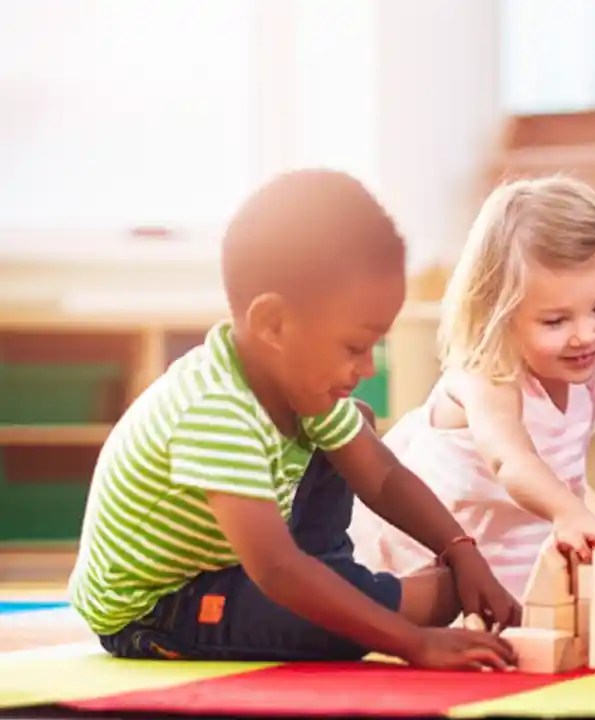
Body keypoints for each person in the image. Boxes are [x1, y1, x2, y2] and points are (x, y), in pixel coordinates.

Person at [68, 169, 521, 669]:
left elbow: (384, 476)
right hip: (157, 608)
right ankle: (388, 600)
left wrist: (460, 550)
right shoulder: (214, 411)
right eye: (355, 347)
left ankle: (349, 584)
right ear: (274, 324)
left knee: (357, 423)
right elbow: (278, 571)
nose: (367, 368)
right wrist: (412, 641)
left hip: (239, 565)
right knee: (333, 627)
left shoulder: (291, 380)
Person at [350, 176, 595, 601]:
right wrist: (568, 511)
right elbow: (511, 459)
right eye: (555, 321)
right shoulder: (488, 375)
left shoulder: (585, 378)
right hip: (422, 556)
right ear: (498, 315)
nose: (585, 335)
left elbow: (569, 478)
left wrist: (594, 529)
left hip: (505, 547)